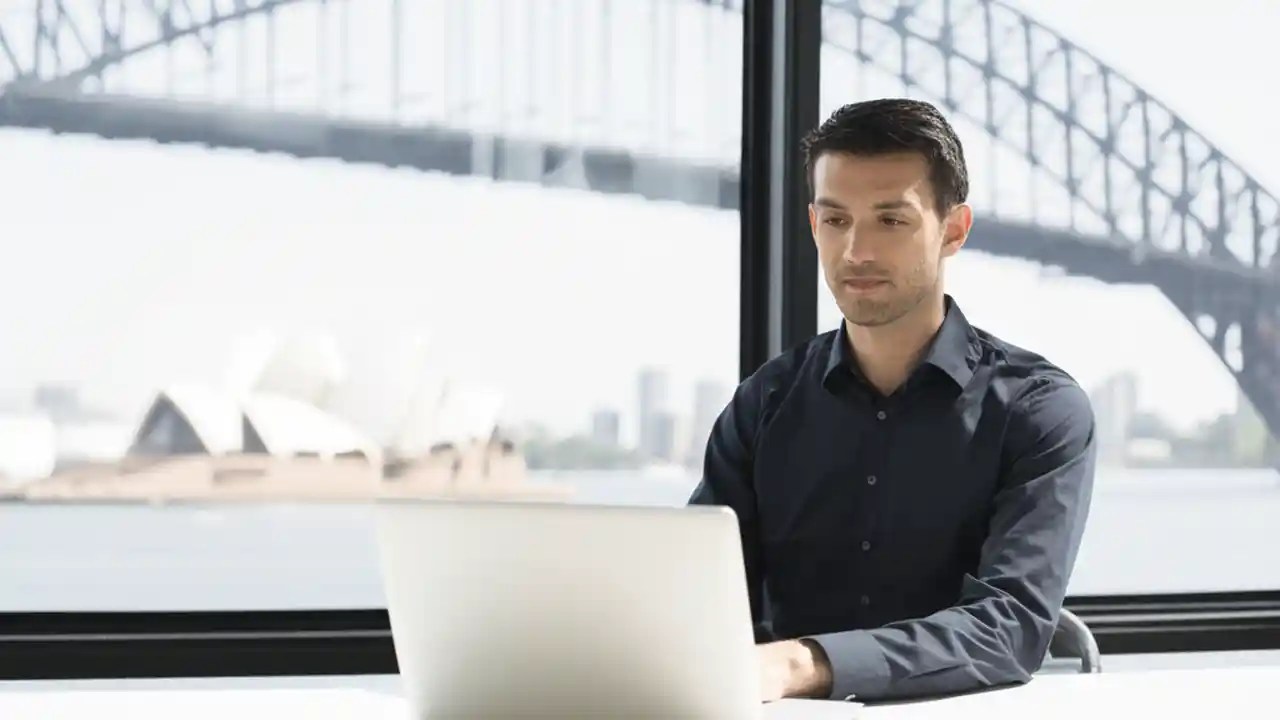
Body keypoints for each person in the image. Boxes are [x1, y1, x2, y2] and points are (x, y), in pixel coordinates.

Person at [688, 98, 1096, 703]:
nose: (856, 251)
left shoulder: (1038, 411)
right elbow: (695, 595)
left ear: (953, 230)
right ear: (813, 226)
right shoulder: (764, 403)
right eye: (836, 221)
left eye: (891, 220)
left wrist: (804, 664)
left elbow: (1007, 630)